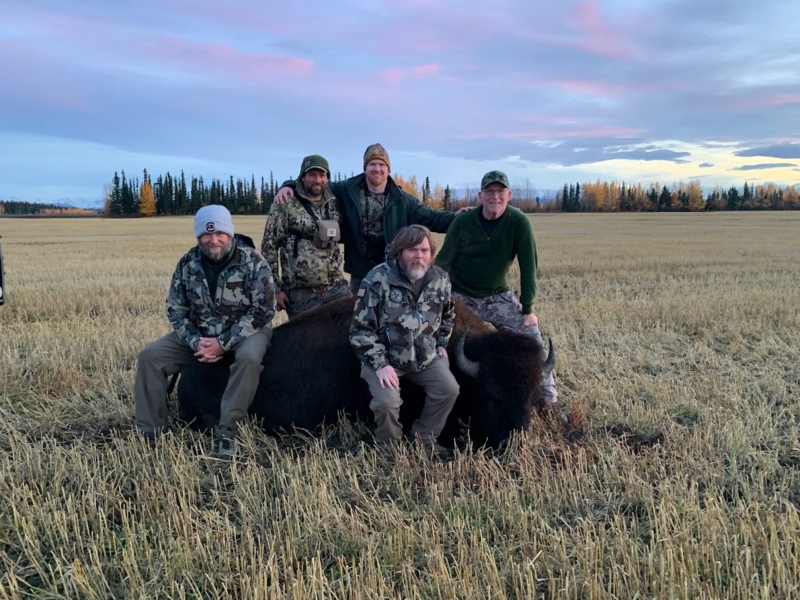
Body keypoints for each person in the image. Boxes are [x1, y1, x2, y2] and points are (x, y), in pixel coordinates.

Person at [134, 205, 276, 459]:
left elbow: (264, 310)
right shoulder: (188, 264)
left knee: (249, 359)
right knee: (150, 357)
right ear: (199, 236)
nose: (213, 240)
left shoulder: (253, 261)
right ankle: (151, 431)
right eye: (206, 235)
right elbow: (176, 309)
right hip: (199, 334)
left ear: (229, 233)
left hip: (246, 332)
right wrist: (195, 341)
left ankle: (227, 434)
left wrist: (223, 343)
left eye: (220, 233)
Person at [435, 171, 561, 414]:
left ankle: (549, 402)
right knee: (441, 339)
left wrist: (527, 310)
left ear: (509, 195)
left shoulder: (519, 222)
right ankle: (449, 396)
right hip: (461, 295)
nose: (495, 197)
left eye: (500, 192)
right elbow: (443, 261)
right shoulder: (462, 222)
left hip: (497, 295)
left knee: (532, 337)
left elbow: (528, 268)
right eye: (489, 192)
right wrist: (431, 295)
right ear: (480, 195)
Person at [274, 143, 456, 294]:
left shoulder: (403, 200)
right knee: (357, 320)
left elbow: (434, 218)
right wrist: (288, 185)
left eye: (382, 165)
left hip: (394, 273)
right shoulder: (347, 190)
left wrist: (461, 217)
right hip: (360, 273)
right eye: (372, 164)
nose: (377, 169)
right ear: (365, 167)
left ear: (388, 169)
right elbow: (316, 183)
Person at [349, 225, 459, 458]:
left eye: (424, 250)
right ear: (400, 252)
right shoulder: (377, 278)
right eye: (412, 250)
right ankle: (389, 449)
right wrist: (379, 364)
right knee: (387, 401)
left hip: (424, 356)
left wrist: (442, 344)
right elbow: (359, 330)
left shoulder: (440, 279)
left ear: (431, 253)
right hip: (385, 357)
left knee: (449, 389)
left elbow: (448, 314)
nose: (419, 256)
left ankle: (423, 440)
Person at [260, 155, 349, 318]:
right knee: (308, 342)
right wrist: (276, 289)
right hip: (301, 294)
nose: (317, 180)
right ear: (302, 177)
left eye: (322, 175)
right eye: (312, 175)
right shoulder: (285, 202)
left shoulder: (335, 201)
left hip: (336, 288)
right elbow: (269, 247)